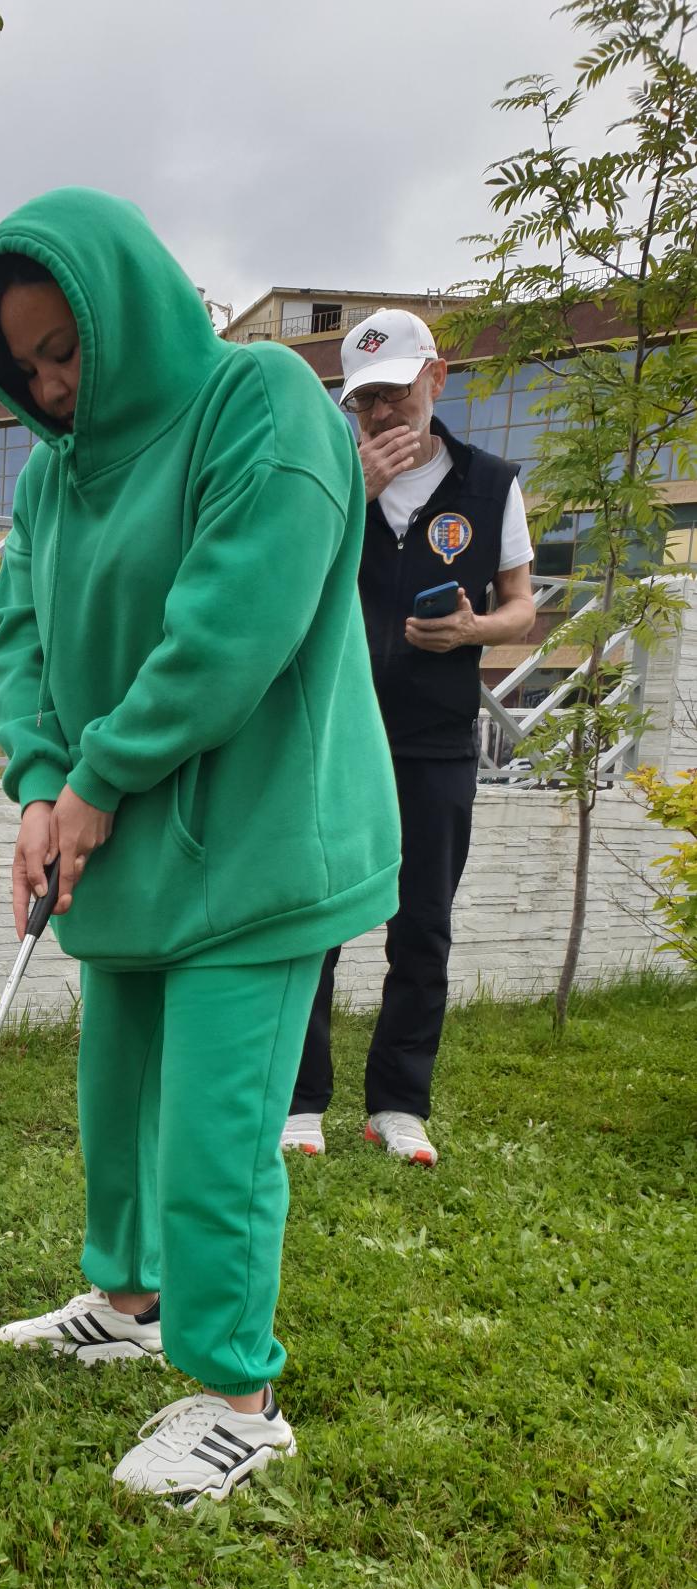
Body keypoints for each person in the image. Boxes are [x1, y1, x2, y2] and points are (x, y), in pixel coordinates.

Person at [0, 190, 400, 1507]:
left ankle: (235, 1396)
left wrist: (95, 780)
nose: (52, 383)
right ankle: (128, 1299)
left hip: (261, 839)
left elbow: (230, 628)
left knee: (214, 1132)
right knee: (121, 1099)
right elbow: (22, 632)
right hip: (127, 836)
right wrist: (39, 788)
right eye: (27, 365)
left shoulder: (262, 405)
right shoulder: (50, 478)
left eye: (67, 349)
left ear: (130, 307)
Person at [281, 309, 537, 1167]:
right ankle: (299, 1099)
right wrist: (346, 490)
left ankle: (397, 1103)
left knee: (422, 924)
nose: (382, 416)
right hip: (333, 731)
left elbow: (524, 609)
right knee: (315, 914)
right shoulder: (325, 476)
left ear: (437, 376)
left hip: (434, 737)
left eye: (394, 393)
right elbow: (277, 573)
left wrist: (473, 633)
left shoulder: (491, 483)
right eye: (365, 404)